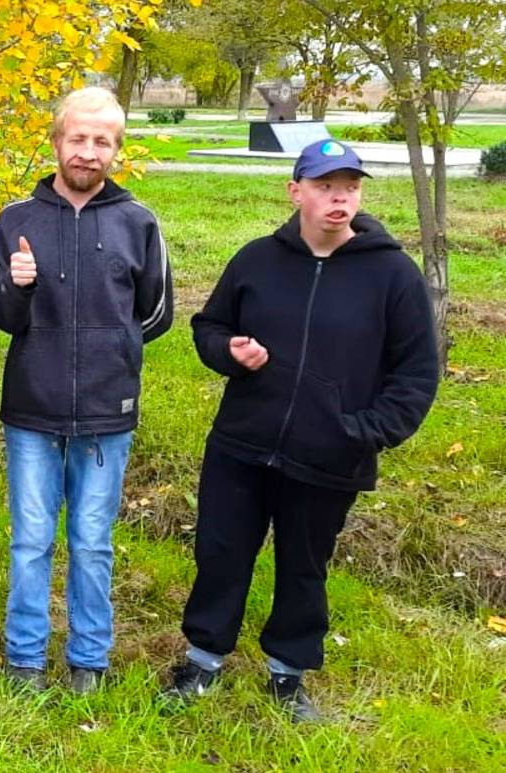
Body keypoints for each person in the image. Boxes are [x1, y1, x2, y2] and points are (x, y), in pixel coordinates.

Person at [166, 138, 438, 721]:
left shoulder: (393, 274)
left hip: (330, 456)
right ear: (296, 192)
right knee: (220, 555)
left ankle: (288, 675)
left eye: (350, 188)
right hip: (241, 445)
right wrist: (228, 352)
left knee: (304, 565)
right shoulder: (257, 260)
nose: (339, 199)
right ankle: (202, 659)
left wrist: (363, 431)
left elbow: (417, 374)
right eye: (324, 187)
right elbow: (208, 326)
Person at [0, 87, 173, 693]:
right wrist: (17, 288)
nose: (89, 152)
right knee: (31, 540)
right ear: (56, 141)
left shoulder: (138, 223)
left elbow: (155, 314)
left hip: (105, 413)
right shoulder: (18, 219)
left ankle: (89, 661)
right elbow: (3, 315)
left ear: (117, 149)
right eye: (79, 138)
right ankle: (25, 659)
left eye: (103, 141)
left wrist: (110, 355)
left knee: (93, 543)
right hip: (32, 412)